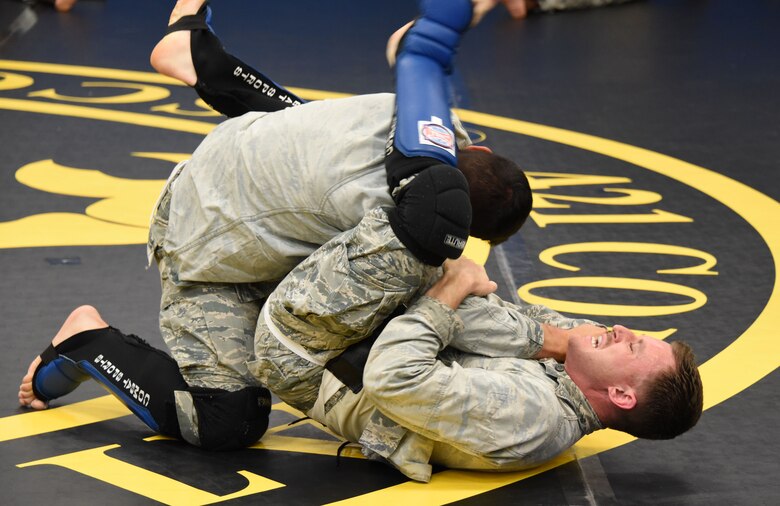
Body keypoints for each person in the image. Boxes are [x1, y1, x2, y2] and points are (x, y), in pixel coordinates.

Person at [19, 0, 702, 483]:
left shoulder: (534, 419)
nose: (621, 329)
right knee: (409, 213)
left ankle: (86, 343)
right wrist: (512, 323)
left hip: (265, 300)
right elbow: (475, 316)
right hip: (246, 225)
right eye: (635, 333)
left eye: (635, 347)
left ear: (620, 400)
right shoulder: (571, 353)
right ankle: (221, 63)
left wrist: (447, 296)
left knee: (226, 421)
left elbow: (395, 375)